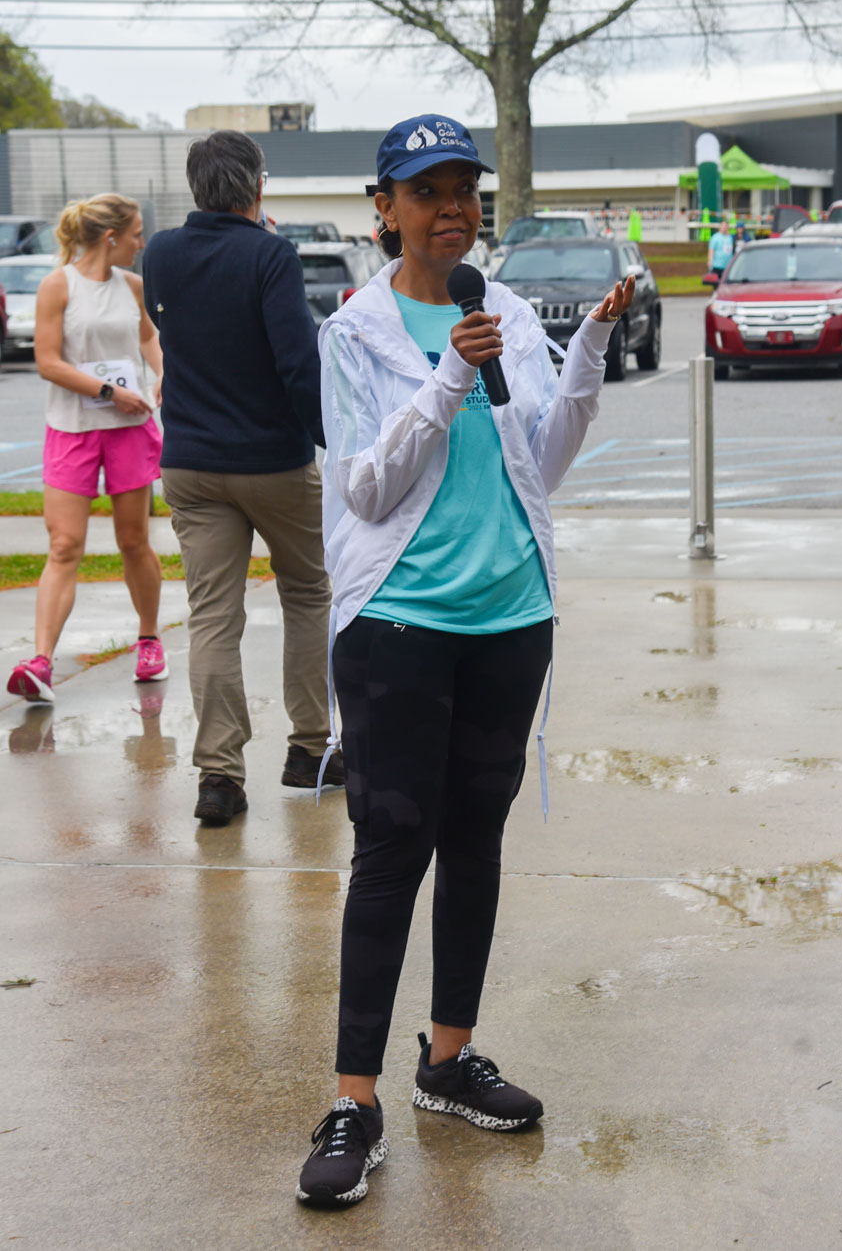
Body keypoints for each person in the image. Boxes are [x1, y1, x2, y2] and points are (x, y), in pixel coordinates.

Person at [295, 113, 634, 1212]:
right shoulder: (353, 332)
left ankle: (447, 1061)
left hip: (509, 618)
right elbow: (365, 490)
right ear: (383, 208)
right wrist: (445, 376)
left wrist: (585, 354)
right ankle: (356, 1099)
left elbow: (541, 457)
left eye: (465, 190)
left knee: (476, 838)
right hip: (399, 621)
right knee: (394, 846)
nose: (452, 208)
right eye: (426, 190)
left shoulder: (514, 317)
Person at [142, 131, 338, 826]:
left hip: (191, 462)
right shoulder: (271, 256)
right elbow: (296, 360)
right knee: (308, 595)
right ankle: (310, 747)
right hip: (273, 462)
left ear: (195, 187)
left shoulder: (159, 253)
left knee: (212, 618)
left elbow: (179, 321)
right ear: (258, 186)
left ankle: (218, 776)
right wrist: (332, 440)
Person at [6, 195, 166, 705]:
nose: (142, 244)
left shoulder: (133, 287)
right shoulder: (58, 286)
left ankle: (148, 640)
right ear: (110, 236)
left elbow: (150, 340)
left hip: (128, 429)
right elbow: (48, 362)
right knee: (64, 545)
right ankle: (41, 663)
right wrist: (107, 392)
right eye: (137, 234)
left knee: (134, 541)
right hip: (72, 427)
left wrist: (163, 374)